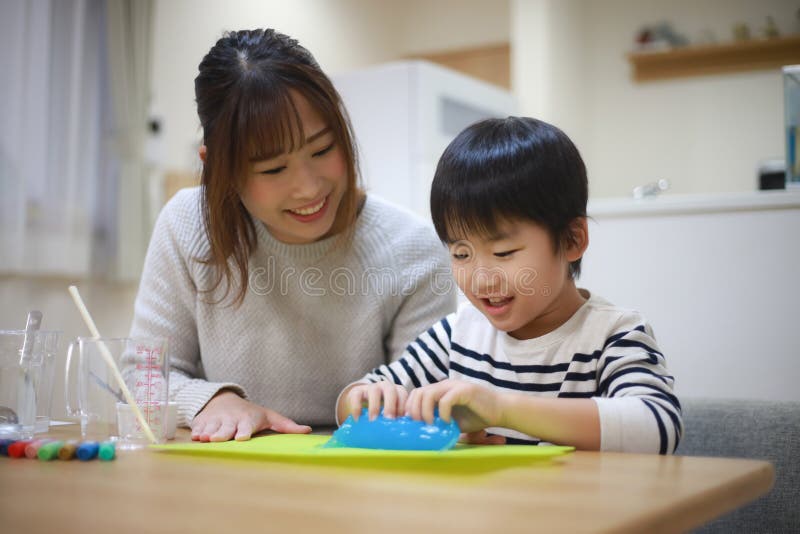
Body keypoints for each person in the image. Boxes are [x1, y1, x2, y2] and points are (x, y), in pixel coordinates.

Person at [130, 29, 456, 442]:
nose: (308, 188)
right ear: (218, 169)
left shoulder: (412, 249)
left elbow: (426, 403)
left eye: (322, 150)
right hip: (220, 479)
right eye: (272, 170)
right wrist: (212, 401)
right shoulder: (188, 226)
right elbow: (140, 378)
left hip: (360, 476)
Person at [337, 117, 683, 454]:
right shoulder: (458, 335)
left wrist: (501, 409)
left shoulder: (612, 335)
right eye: (461, 254)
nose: (482, 278)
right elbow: (352, 404)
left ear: (572, 240)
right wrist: (364, 399)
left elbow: (658, 428)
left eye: (503, 252)